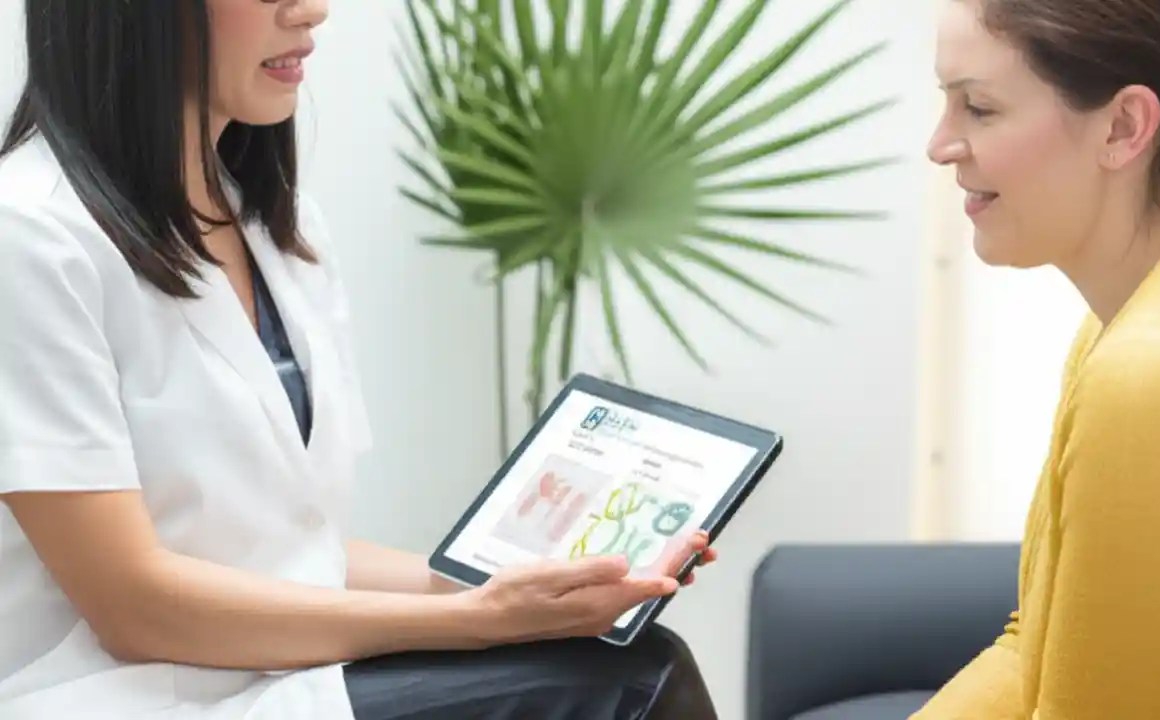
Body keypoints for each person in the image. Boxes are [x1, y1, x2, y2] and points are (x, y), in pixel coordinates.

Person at [0, 1, 720, 718]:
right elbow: (133, 609)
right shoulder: (29, 234)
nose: (312, 10)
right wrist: (477, 621)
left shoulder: (280, 230)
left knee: (617, 656)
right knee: (635, 685)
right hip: (116, 698)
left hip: (279, 680)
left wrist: (519, 588)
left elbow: (302, 552)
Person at [918, 0, 1160, 718]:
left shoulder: (1158, 373)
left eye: (979, 108)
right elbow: (1040, 642)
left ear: (1123, 127)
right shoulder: (1155, 304)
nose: (940, 144)